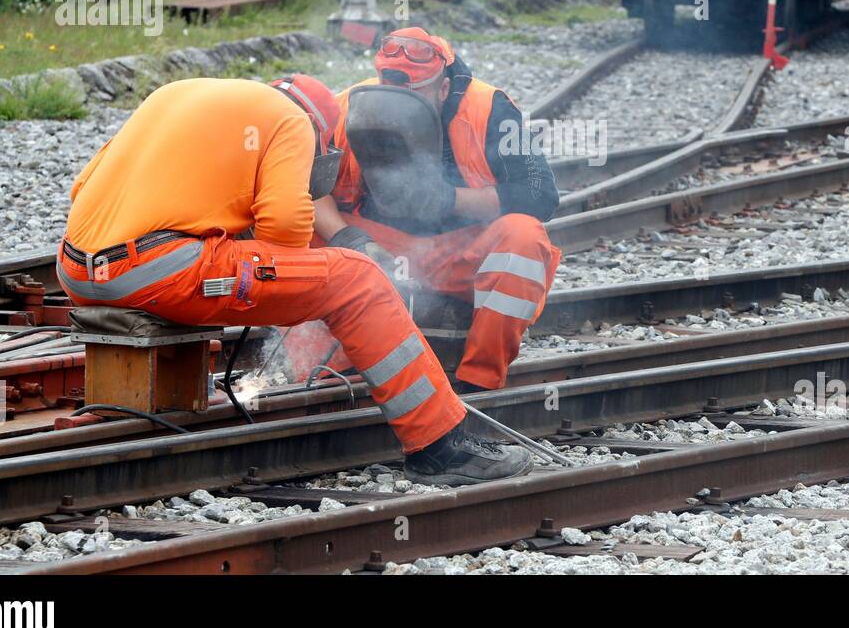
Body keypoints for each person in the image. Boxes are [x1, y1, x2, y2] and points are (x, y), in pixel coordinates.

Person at [57, 74, 531, 486]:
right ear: (322, 131)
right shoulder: (293, 120)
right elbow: (283, 233)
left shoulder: (176, 94)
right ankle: (438, 444)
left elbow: (83, 188)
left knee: (306, 271)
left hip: (76, 268)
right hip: (158, 271)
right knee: (356, 277)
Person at [316, 27, 561, 392]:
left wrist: (450, 199)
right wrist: (348, 237)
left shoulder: (487, 109)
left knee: (524, 236)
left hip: (462, 254)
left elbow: (540, 196)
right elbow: (308, 191)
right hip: (378, 251)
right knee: (301, 231)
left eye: (412, 99)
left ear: (443, 88)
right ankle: (327, 374)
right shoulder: (349, 106)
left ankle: (478, 382)